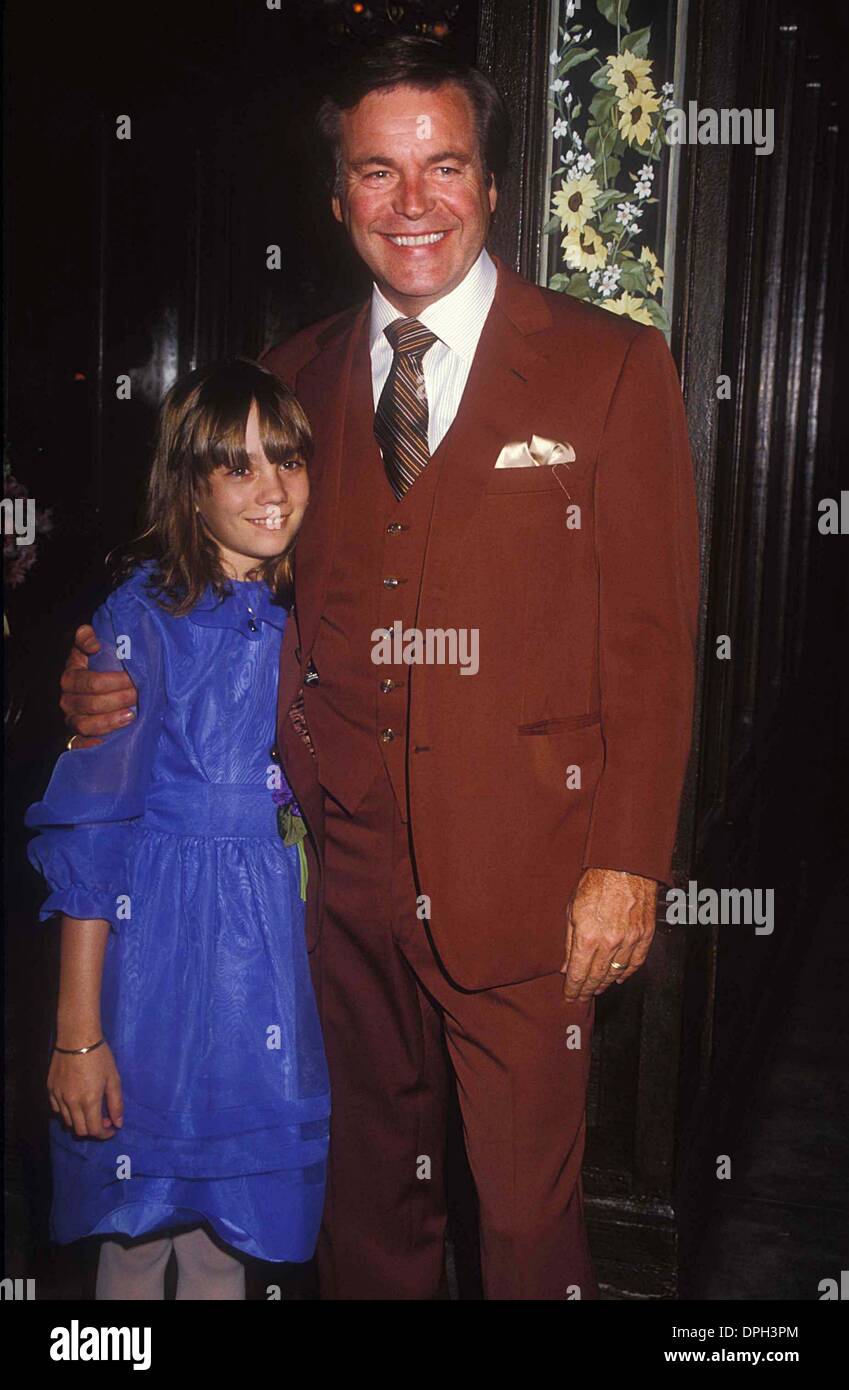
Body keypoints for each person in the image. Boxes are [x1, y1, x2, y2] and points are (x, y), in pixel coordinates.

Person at [61, 36, 700, 1300]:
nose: (413, 202)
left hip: (533, 886)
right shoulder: (289, 385)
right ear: (340, 197)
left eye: (443, 166)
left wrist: (628, 860)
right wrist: (97, 675)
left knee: (525, 1223)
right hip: (332, 891)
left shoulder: (613, 367)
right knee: (367, 1212)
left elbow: (655, 638)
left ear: (494, 186)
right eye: (378, 172)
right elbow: (210, 588)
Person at [28, 360, 329, 1300]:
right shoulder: (141, 621)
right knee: (135, 1218)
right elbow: (91, 829)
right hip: (155, 959)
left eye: (285, 459)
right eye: (236, 468)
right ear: (189, 489)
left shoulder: (308, 610)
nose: (270, 488)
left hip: (266, 964)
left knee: (224, 1234)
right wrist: (79, 1034)